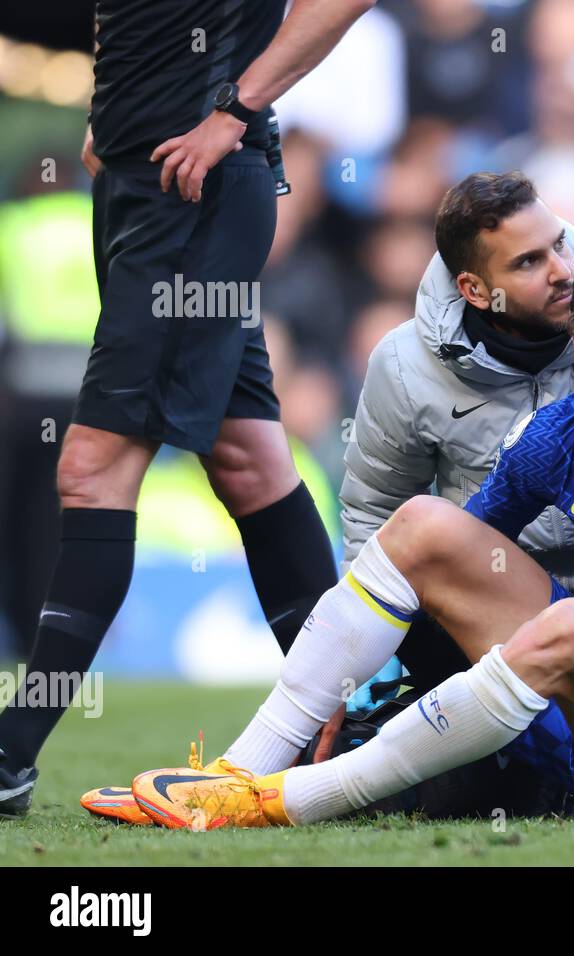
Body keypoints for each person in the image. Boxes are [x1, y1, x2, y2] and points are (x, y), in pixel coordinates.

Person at [127, 246, 574, 827]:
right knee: (422, 524)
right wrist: (348, 687)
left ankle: (291, 800)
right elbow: (445, 562)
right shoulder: (562, 438)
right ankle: (241, 768)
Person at [0, 0, 379, 819]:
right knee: (249, 462)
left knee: (92, 466)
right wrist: (114, 111)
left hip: (194, 181)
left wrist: (232, 113)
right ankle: (355, 737)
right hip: (144, 177)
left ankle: (10, 752)